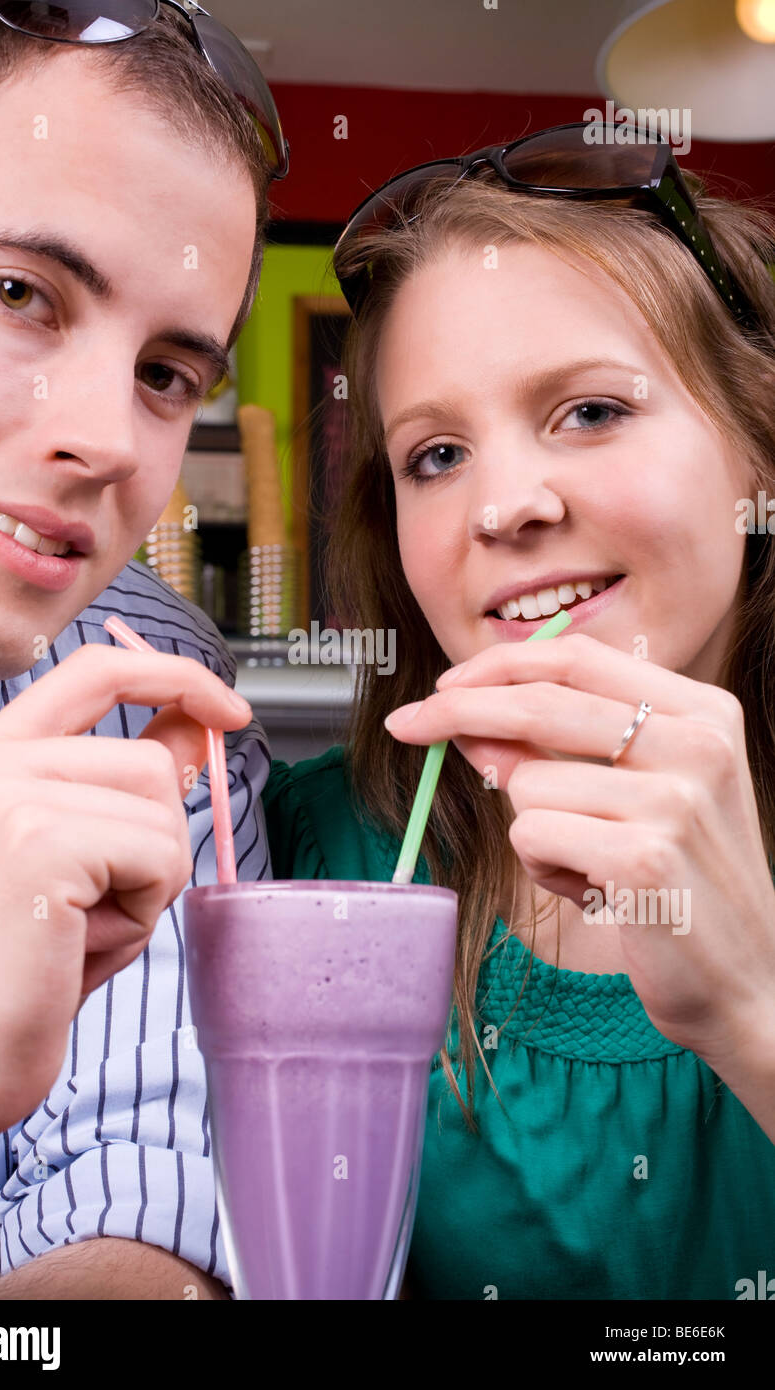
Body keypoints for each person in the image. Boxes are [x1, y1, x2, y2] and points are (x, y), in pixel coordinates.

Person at [261, 123, 775, 1299]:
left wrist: (748, 1008)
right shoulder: (310, 858)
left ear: (754, 448)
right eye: (434, 454)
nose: (503, 506)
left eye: (589, 411)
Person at [0, 0, 285, 1299]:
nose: (112, 441)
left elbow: (135, 1205)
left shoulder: (145, 686)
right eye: (23, 295)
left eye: (169, 374)